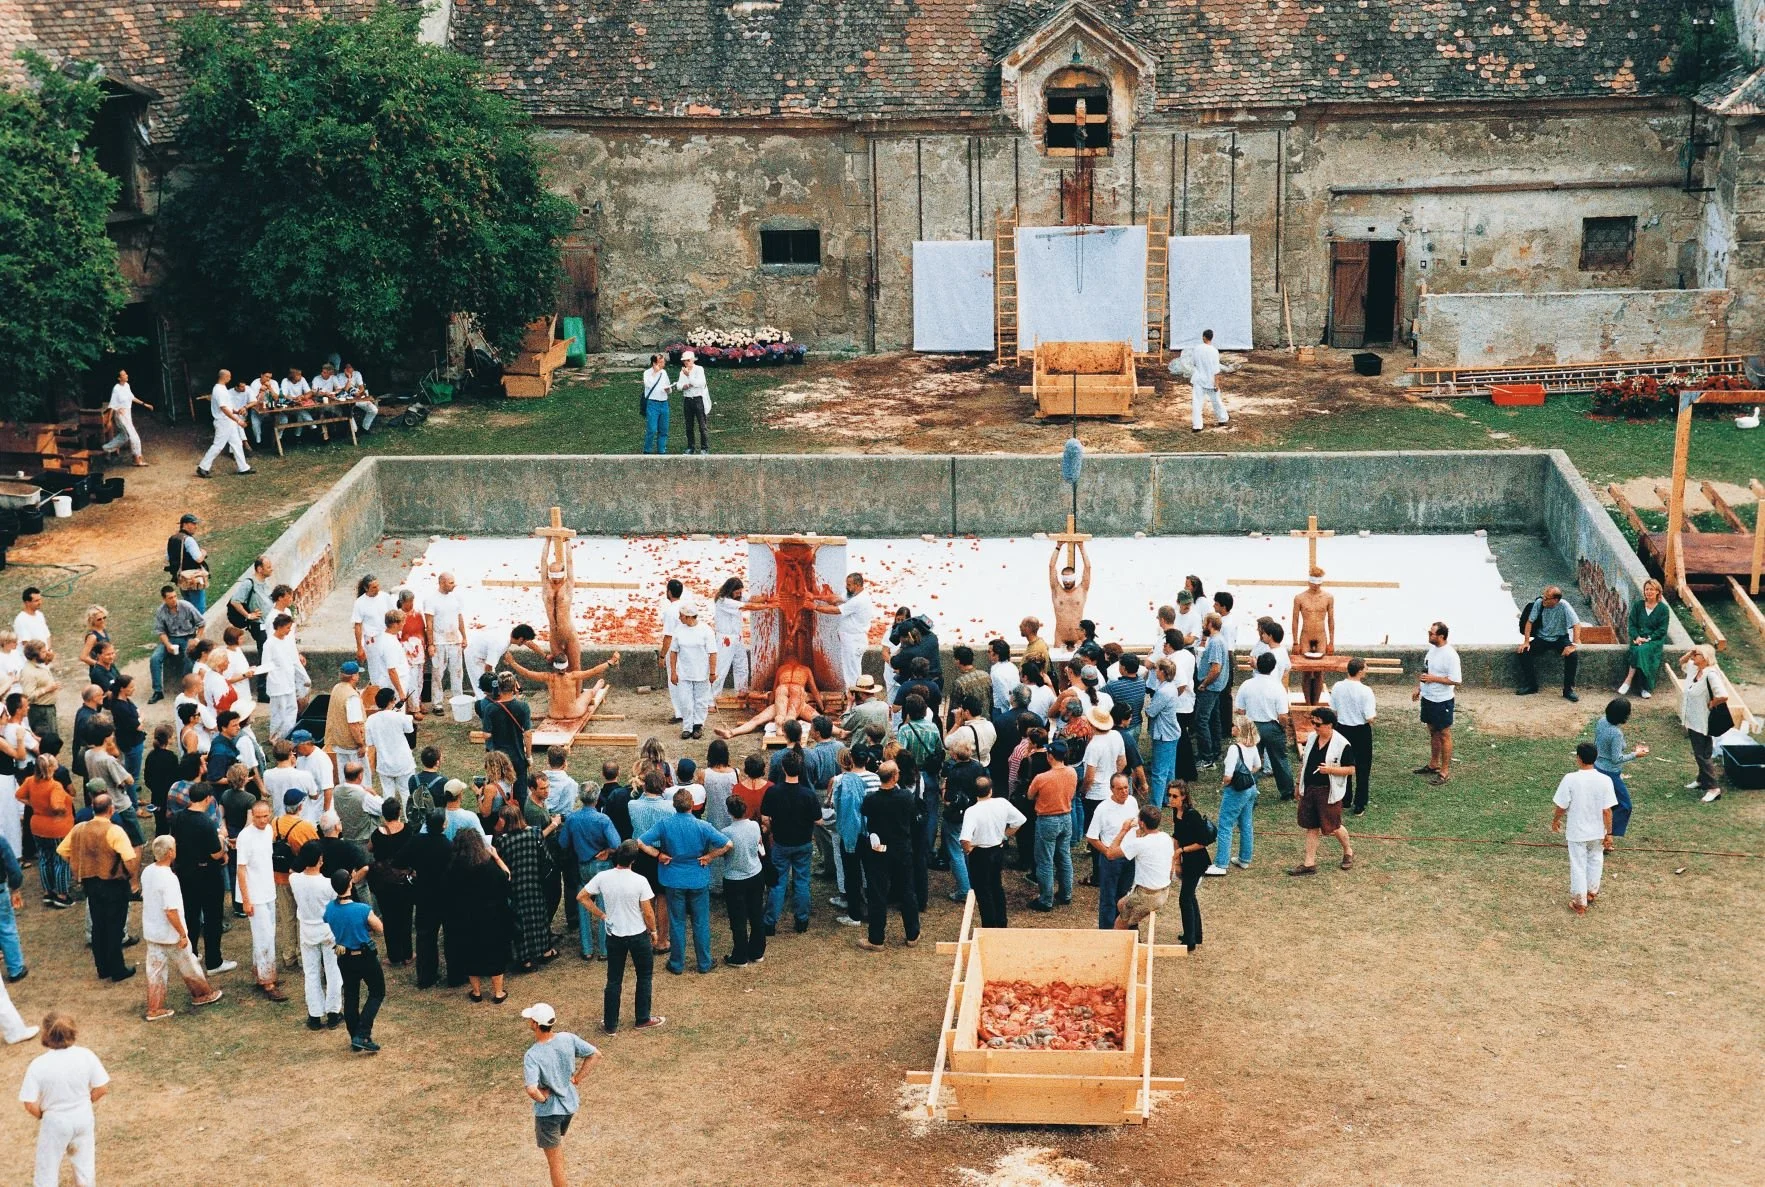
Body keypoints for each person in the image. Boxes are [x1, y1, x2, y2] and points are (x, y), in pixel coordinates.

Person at [637, 788, 731, 975]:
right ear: (692, 805)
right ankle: (704, 963)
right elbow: (727, 844)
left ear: (674, 805)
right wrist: (710, 856)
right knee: (700, 921)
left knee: (677, 921)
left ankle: (677, 963)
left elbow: (640, 841)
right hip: (697, 877)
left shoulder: (665, 824)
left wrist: (658, 855)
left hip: (673, 879)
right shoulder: (702, 826)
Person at [579, 840, 666, 1032]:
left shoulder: (603, 877)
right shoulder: (640, 881)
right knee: (644, 976)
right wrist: (653, 932)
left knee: (614, 979)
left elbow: (582, 897)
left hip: (615, 935)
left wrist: (601, 915)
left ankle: (610, 1024)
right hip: (638, 935)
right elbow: (648, 913)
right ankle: (642, 1018)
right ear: (633, 860)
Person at [19, 1012, 110, 1187]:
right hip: (83, 1116)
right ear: (73, 1032)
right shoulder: (86, 1055)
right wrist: (85, 1102)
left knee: (47, 1170)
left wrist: (42, 1115)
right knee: (85, 1167)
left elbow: (29, 1103)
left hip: (55, 1121)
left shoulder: (39, 1065)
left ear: (46, 1034)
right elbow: (102, 1087)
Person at [139, 834, 224, 1021]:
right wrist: (182, 934)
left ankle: (154, 1008)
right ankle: (202, 994)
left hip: (152, 932)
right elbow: (171, 911)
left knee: (155, 971)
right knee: (189, 964)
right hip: (170, 934)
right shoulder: (169, 878)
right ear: (170, 852)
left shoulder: (148, 871)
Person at [57, 793, 139, 982]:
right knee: (115, 926)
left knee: (98, 925)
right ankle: (117, 969)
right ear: (111, 809)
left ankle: (102, 968)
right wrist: (129, 876)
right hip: (113, 883)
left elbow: (62, 851)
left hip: (91, 882)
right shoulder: (115, 831)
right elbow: (129, 859)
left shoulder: (80, 828)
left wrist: (79, 863)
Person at [522, 1002, 601, 1187]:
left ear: (535, 1024)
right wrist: (577, 1079)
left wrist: (543, 1099)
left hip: (549, 1114)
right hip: (569, 1105)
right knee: (557, 1149)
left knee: (554, 1162)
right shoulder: (567, 1038)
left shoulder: (532, 1055)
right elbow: (595, 1054)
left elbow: (532, 1089)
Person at [169, 782, 234, 975]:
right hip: (207, 875)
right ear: (208, 798)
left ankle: (192, 953)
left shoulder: (178, 817)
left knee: (191, 915)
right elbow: (216, 854)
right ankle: (214, 961)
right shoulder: (205, 822)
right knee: (213, 917)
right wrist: (222, 840)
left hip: (185, 873)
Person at [857, 761, 920, 950]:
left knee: (877, 893)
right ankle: (912, 934)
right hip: (901, 849)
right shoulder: (906, 797)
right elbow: (913, 817)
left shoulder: (871, 799)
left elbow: (865, 814)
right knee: (907, 890)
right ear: (895, 776)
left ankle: (876, 939)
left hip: (879, 850)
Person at [1551, 742, 1618, 914]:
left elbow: (1562, 805)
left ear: (1579, 758)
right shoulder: (1605, 780)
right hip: (1597, 831)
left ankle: (1580, 902)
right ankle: (1591, 892)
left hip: (1577, 832)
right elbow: (1607, 810)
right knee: (1596, 859)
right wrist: (1609, 833)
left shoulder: (1570, 779)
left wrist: (1556, 820)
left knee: (1578, 865)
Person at [1290, 707, 1356, 876]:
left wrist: (1331, 770)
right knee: (1311, 826)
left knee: (1333, 826)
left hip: (1328, 791)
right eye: (1313, 723)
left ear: (1330, 725)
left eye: (1318, 724)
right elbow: (1304, 764)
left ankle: (1348, 851)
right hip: (1310, 788)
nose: (1314, 727)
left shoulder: (1342, 744)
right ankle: (1309, 863)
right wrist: (1299, 784)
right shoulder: (1312, 738)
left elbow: (1351, 770)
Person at [447, 829, 511, 1002]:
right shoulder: (489, 866)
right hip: (491, 916)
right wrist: (497, 857)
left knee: (470, 952)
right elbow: (506, 877)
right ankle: (498, 992)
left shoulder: (454, 867)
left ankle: (476, 992)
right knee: (495, 951)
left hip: (465, 916)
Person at [760, 750, 819, 934]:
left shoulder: (773, 792)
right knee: (802, 881)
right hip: (803, 842)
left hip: (781, 843)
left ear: (783, 768)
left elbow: (764, 817)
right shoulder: (808, 794)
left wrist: (769, 826)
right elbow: (817, 819)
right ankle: (801, 920)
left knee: (778, 883)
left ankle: (770, 922)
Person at [496, 803, 559, 972]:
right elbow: (545, 857)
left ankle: (525, 960)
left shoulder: (503, 841)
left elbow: (500, 865)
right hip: (535, 883)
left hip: (515, 886)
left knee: (520, 922)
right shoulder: (535, 833)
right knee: (539, 917)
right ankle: (545, 950)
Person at [289, 842, 343, 1030]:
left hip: (307, 930)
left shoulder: (294, 880)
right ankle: (334, 1012)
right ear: (320, 860)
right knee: (333, 970)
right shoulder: (328, 884)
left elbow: (293, 871)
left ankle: (314, 1014)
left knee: (311, 973)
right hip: (328, 931)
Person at [958, 775, 1023, 928]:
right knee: (996, 886)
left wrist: (968, 849)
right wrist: (1004, 836)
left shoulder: (972, 811)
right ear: (991, 790)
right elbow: (1019, 820)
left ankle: (989, 925)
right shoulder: (1002, 803)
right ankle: (1001, 923)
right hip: (997, 850)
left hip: (980, 853)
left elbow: (965, 839)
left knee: (982, 891)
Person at [1106, 804, 1176, 940]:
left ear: (1141, 823)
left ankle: (1123, 951)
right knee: (1121, 904)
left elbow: (1110, 853)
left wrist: (1124, 830)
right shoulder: (1166, 837)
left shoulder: (1139, 844)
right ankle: (1134, 935)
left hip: (1146, 896)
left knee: (1118, 925)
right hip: (1163, 892)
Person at [1083, 771, 1140, 928]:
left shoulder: (1132, 802)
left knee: (1126, 897)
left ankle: (1125, 930)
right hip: (1112, 860)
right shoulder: (1102, 809)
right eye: (1120, 788)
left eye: (1126, 788)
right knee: (1108, 899)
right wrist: (1107, 851)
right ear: (1111, 789)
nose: (1124, 792)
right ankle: (1107, 933)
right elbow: (1092, 837)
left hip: (1130, 857)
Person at [1207, 717, 1262, 876]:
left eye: (1234, 725)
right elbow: (1257, 765)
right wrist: (1246, 775)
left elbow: (1228, 775)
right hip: (1251, 787)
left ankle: (1221, 864)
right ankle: (1244, 859)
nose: (1231, 727)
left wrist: (1225, 783)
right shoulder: (1252, 746)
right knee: (1246, 823)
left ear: (1239, 729)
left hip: (1236, 791)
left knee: (1225, 824)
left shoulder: (1234, 749)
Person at [1235, 652, 1293, 800]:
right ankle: (1287, 791)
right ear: (1273, 668)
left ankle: (1248, 789)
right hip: (1272, 726)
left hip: (1250, 725)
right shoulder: (1277, 686)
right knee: (1280, 760)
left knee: (1249, 760)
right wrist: (1283, 727)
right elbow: (1283, 715)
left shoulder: (1246, 685)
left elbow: (1240, 710)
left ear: (1257, 665)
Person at [1026, 740, 1076, 912]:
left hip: (1047, 820)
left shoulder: (1042, 778)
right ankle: (1066, 893)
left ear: (1050, 756)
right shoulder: (1072, 772)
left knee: (1045, 860)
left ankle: (1046, 899)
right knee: (1064, 856)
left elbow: (1030, 795)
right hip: (1066, 817)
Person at [18, 756, 74, 908]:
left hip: (37, 826)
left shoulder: (30, 781)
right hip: (57, 828)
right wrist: (61, 811)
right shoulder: (54, 785)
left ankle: (48, 893)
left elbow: (19, 795)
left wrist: (35, 805)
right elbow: (56, 805)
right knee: (61, 861)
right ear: (50, 768)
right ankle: (62, 895)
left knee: (44, 858)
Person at [1679, 646, 1732, 803]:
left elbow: (1723, 695)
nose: (1693, 656)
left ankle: (1713, 788)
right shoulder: (1695, 670)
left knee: (1701, 754)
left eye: (1697, 654)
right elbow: (1681, 662)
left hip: (1702, 720)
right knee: (1703, 751)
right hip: (1693, 719)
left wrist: (1712, 703)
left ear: (1706, 657)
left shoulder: (1711, 674)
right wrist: (1691, 652)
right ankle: (1702, 780)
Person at [1594, 697, 1646, 852]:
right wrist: (1636, 754)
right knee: (1624, 805)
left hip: (1598, 766)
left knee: (1606, 804)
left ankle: (1601, 834)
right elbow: (1616, 759)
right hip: (1610, 772)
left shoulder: (1601, 721)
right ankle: (1607, 835)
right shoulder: (1616, 733)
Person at [1414, 621, 1462, 786]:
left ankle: (1444, 771)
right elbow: (1425, 671)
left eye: (1432, 633)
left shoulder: (1450, 655)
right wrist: (1418, 689)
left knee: (1444, 734)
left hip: (1442, 700)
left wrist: (1433, 679)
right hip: (1428, 698)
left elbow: (1456, 680)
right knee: (1433, 731)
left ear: (1441, 636)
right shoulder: (1432, 651)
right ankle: (1434, 764)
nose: (1429, 635)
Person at [1330, 657, 1378, 815]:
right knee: (1363, 768)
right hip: (1360, 731)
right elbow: (1369, 717)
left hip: (1342, 729)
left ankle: (1345, 798)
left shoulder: (1337, 687)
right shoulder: (1366, 691)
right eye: (1365, 668)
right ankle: (1360, 804)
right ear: (1359, 671)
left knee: (1345, 765)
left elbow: (1334, 710)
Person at [1517, 585, 1581, 702]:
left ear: (1555, 600)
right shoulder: (1539, 603)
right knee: (1523, 652)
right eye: (1543, 597)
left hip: (1560, 637)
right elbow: (1529, 622)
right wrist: (1526, 642)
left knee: (1572, 656)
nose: (1543, 600)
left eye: (1547, 598)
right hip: (1542, 637)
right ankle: (1531, 685)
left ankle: (1568, 690)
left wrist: (1573, 645)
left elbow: (1576, 624)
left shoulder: (1564, 606)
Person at [1167, 788, 1212, 950]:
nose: (1171, 799)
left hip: (1197, 861)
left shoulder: (1192, 815)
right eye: (1170, 795)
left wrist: (1181, 851)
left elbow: (1203, 841)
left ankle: (1190, 939)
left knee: (1185, 898)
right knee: (1190, 896)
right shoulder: (1176, 812)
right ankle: (1194, 934)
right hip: (1187, 861)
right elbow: (1177, 836)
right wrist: (1177, 861)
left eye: (1175, 796)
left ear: (1184, 797)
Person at [670, 600, 716, 741]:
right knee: (685, 701)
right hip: (684, 673)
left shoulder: (706, 630)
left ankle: (697, 725)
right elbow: (673, 652)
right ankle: (687, 727)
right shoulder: (678, 630)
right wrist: (673, 671)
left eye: (682, 615)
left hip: (701, 673)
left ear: (689, 617)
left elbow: (713, 652)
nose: (679, 618)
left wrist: (712, 673)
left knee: (701, 701)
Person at [196, 368, 255, 478]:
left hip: (228, 421)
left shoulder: (222, 388)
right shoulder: (219, 390)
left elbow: (227, 406)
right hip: (223, 422)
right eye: (229, 376)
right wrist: (238, 420)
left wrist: (236, 411)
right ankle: (203, 467)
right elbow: (223, 408)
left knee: (237, 443)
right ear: (224, 377)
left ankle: (243, 467)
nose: (230, 378)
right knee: (218, 445)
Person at [363, 687, 417, 805]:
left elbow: (370, 742)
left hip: (384, 764)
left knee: (388, 796)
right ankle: (410, 822)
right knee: (407, 794)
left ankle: (390, 821)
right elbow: (410, 729)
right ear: (392, 701)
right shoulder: (400, 716)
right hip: (403, 763)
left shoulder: (371, 720)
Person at [1290, 571, 1337, 704]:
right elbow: (1295, 620)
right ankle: (1308, 703)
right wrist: (1295, 642)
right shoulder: (1300, 597)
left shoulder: (1328, 597)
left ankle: (1315, 705)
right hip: (1306, 635)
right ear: (1308, 581)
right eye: (1313, 583)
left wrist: (1331, 642)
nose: (1315, 586)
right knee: (1306, 670)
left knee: (1318, 671)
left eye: (1318, 583)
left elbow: (1331, 620)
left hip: (1321, 636)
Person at [1618, 578, 1670, 698]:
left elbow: (1662, 630)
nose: (1649, 592)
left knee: (1640, 650)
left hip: (1654, 641)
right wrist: (1636, 637)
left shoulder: (1663, 609)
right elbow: (1631, 624)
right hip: (1638, 639)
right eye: (1647, 589)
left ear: (1657, 591)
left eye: (1652, 589)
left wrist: (1649, 639)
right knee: (1637, 648)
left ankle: (1629, 680)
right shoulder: (1638, 606)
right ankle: (1644, 688)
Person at [427, 572, 469, 712]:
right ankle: (437, 703)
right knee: (438, 673)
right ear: (442, 583)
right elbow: (429, 623)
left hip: (455, 641)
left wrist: (464, 636)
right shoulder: (431, 599)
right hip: (439, 642)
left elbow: (460, 618)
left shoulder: (456, 598)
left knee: (457, 672)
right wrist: (431, 644)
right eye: (451, 582)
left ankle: (459, 700)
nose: (454, 585)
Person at [324, 662, 367, 775]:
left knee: (344, 774)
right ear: (353, 676)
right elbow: (353, 724)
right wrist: (361, 744)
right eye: (357, 674)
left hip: (338, 740)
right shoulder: (352, 697)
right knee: (360, 776)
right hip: (352, 745)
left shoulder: (337, 688)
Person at [1187, 327, 1233, 433]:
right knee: (1216, 401)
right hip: (1210, 380)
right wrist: (1217, 383)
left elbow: (1193, 363)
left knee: (1197, 403)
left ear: (1203, 337)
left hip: (1198, 380)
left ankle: (1197, 425)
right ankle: (1222, 418)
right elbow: (1216, 369)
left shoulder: (1197, 348)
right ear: (1211, 338)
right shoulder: (1214, 351)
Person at [103, 369, 152, 465]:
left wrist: (144, 404)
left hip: (127, 414)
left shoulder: (127, 386)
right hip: (120, 415)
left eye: (126, 374)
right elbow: (112, 405)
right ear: (119, 378)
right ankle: (137, 459)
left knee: (124, 436)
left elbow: (132, 397)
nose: (126, 375)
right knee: (134, 436)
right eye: (124, 374)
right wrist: (109, 421)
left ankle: (105, 448)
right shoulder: (116, 388)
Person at [1048, 542, 1091, 650]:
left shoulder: (1082, 589)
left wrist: (1081, 546)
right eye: (1065, 579)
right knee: (1060, 666)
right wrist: (1058, 546)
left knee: (1079, 664)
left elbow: (1088, 567)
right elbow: (1051, 566)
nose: (1067, 582)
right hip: (1060, 636)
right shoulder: (1056, 590)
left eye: (1069, 579)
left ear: (1074, 578)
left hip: (1078, 637)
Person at [674, 349, 711, 453]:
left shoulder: (699, 369)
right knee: (689, 425)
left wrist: (689, 376)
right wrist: (684, 386)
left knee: (702, 425)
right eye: (684, 361)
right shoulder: (683, 371)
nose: (686, 363)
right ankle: (691, 447)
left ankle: (704, 448)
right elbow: (678, 385)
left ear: (692, 360)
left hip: (698, 399)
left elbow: (701, 383)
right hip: (688, 400)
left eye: (688, 360)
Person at [640, 353, 672, 454]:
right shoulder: (647, 373)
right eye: (660, 362)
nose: (663, 364)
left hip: (664, 403)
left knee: (663, 429)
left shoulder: (664, 372)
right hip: (653, 403)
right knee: (652, 429)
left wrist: (668, 389)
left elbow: (668, 386)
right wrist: (655, 373)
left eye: (663, 362)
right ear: (654, 363)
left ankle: (661, 450)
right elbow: (648, 384)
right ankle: (647, 450)